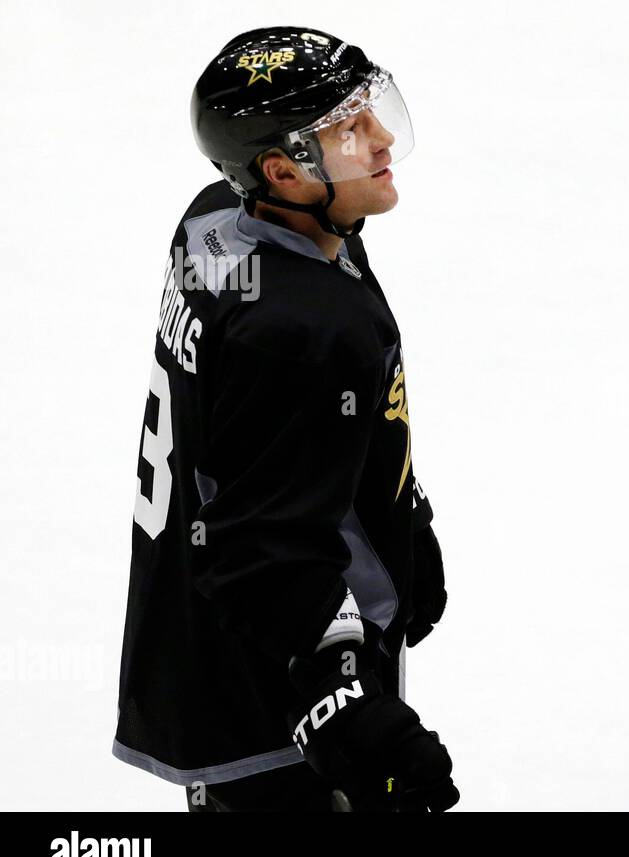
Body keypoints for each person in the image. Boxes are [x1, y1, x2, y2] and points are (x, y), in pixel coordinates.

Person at [115, 27, 459, 812]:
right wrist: (340, 690)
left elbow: (249, 446)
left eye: (372, 111)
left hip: (201, 634)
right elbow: (262, 551)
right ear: (284, 171)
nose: (380, 140)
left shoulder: (219, 224)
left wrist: (402, 510)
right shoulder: (309, 327)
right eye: (347, 129)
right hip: (270, 678)